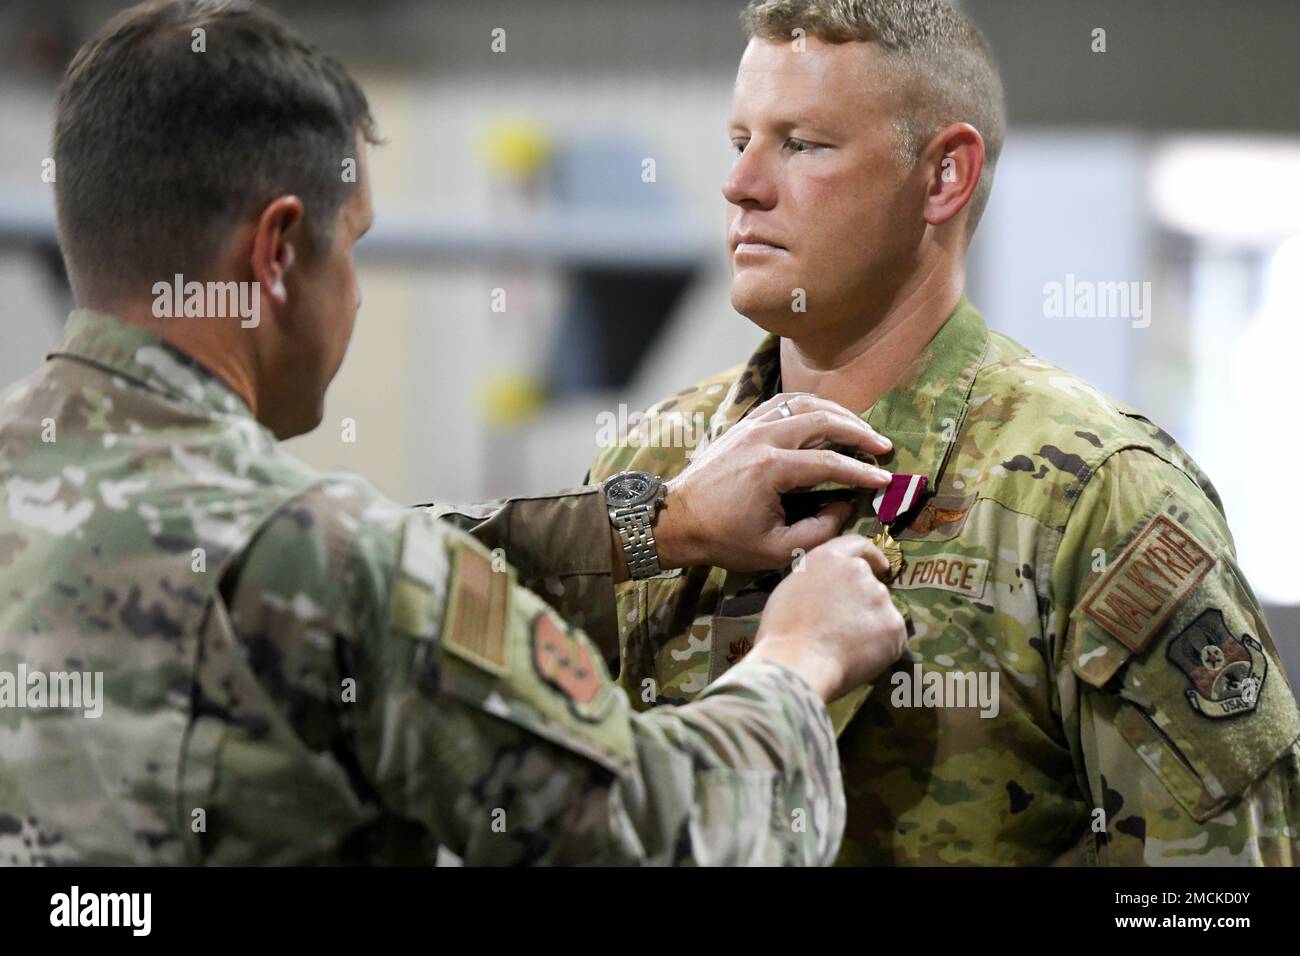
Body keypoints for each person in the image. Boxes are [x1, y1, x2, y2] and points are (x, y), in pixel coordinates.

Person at [0, 0, 911, 866]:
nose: (353, 290)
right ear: (276, 253)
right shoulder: (328, 561)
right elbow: (669, 833)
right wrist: (797, 659)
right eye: (351, 245)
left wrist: (653, 522)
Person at [587, 0, 1300, 865]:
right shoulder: (652, 467)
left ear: (942, 178)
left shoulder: (1095, 495)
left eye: (802, 143)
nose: (742, 184)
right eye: (740, 142)